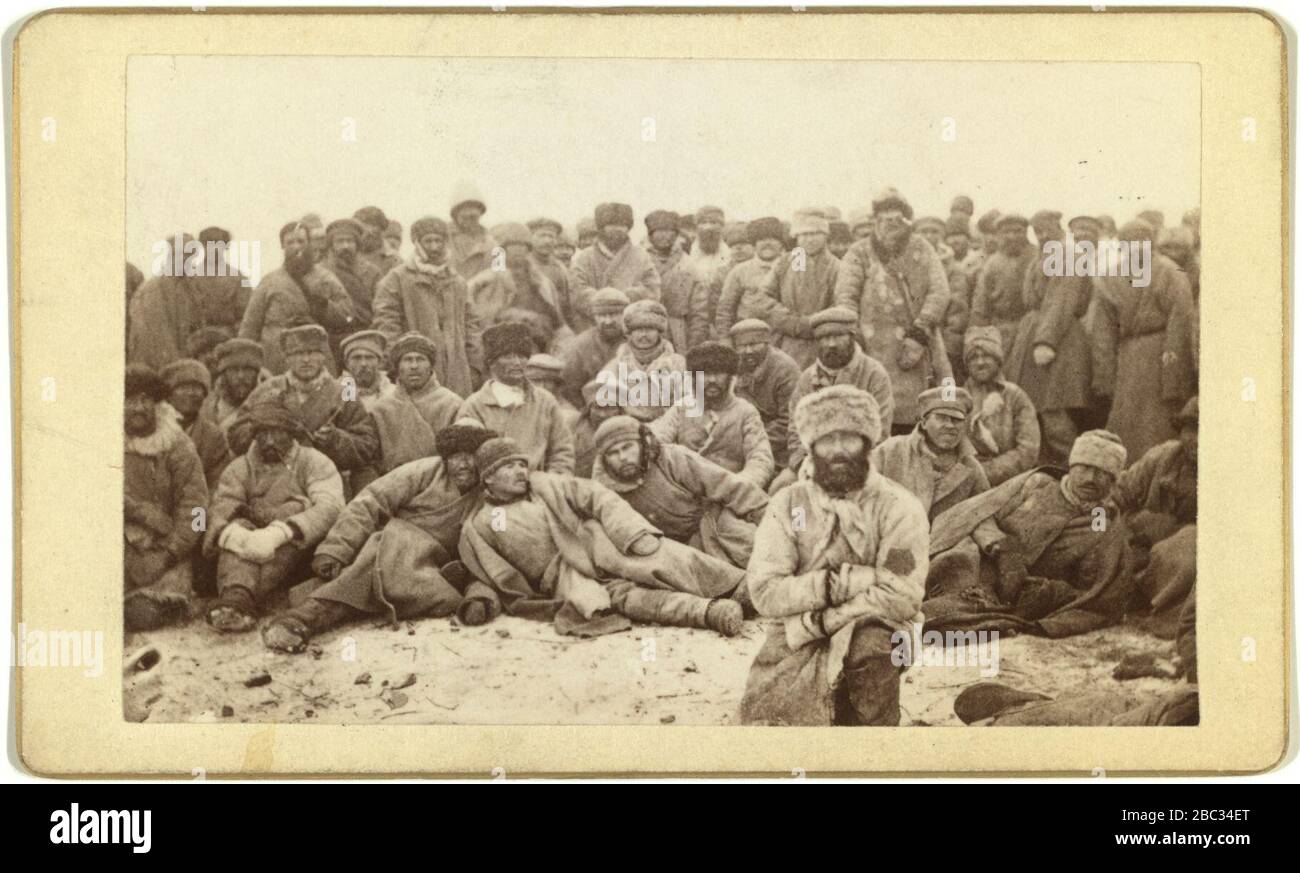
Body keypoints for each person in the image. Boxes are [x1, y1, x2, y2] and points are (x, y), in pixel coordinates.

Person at [739, 385, 929, 726]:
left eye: (850, 438)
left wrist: (828, 620)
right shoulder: (788, 504)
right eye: (827, 439)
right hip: (798, 629)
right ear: (811, 446)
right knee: (770, 725)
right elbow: (766, 591)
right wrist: (836, 584)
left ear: (868, 443)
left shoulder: (899, 508)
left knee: (874, 651)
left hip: (880, 625)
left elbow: (902, 596)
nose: (839, 450)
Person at [457, 437, 747, 637]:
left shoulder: (546, 485)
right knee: (628, 599)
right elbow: (489, 574)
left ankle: (739, 587)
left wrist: (629, 531)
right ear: (488, 478)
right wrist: (484, 599)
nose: (520, 471)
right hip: (565, 579)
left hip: (597, 545)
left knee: (657, 555)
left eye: (522, 464)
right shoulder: (478, 525)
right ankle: (709, 613)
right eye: (508, 467)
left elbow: (597, 496)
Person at [262, 423, 499, 652]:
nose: (465, 464)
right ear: (445, 458)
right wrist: (335, 549)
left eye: (472, 455)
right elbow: (370, 502)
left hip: (431, 568)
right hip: (392, 544)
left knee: (364, 584)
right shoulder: (422, 472)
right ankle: (301, 620)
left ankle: (302, 618)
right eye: (456, 456)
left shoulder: (490, 492)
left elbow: (486, 554)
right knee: (373, 564)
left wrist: (479, 597)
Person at [923, 430, 1132, 638]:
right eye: (1085, 467)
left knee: (975, 612)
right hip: (985, 560)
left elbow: (1091, 585)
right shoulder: (1037, 484)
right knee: (951, 579)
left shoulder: (1102, 520)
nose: (1090, 478)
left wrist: (1052, 590)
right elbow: (979, 514)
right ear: (1072, 465)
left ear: (1113, 480)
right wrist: (1000, 547)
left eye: (1102, 472)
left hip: (1026, 586)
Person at [203, 400, 344, 632]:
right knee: (238, 530)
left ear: (291, 433)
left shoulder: (314, 462)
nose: (269, 441)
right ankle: (237, 597)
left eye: (277, 433)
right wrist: (233, 534)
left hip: (299, 549)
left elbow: (330, 506)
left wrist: (283, 531)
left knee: (291, 521)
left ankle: (245, 596)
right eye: (262, 433)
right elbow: (222, 503)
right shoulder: (240, 467)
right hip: (248, 539)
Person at [834, 188, 951, 435]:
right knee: (873, 407)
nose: (890, 224)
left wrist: (920, 332)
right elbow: (846, 296)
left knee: (928, 404)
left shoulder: (923, 249)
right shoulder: (859, 252)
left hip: (919, 339)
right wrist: (852, 336)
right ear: (875, 220)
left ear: (906, 220)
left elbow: (939, 291)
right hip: (871, 343)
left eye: (897, 219)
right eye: (884, 218)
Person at [593, 415, 767, 568]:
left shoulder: (673, 458)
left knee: (760, 553)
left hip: (714, 521)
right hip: (675, 552)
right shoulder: (604, 493)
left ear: (642, 444)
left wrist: (768, 517)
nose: (623, 457)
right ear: (605, 460)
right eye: (613, 453)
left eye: (628, 447)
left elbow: (731, 487)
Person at [1092, 220, 1198, 462]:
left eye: (1142, 242)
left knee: (1158, 423)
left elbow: (1180, 323)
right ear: (1121, 245)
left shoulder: (1169, 272)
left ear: (1151, 243)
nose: (1136, 248)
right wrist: (1105, 379)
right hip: (1128, 359)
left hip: (1159, 356)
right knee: (1127, 422)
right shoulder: (1111, 278)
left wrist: (1173, 377)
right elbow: (1102, 335)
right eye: (1129, 243)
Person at [229, 324, 379, 482]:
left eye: (312, 353)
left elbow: (366, 446)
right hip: (269, 480)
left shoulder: (343, 393)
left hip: (326, 480)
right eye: (298, 353)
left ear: (323, 356)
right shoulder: (268, 389)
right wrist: (262, 429)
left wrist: (335, 439)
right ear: (287, 358)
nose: (306, 360)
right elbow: (236, 435)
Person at [123, 365, 208, 631]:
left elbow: (197, 511)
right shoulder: (101, 440)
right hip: (120, 542)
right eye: (130, 400)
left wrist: (170, 554)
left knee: (149, 612)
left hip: (168, 549)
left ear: (158, 405)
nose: (138, 408)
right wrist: (140, 512)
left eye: (145, 400)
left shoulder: (178, 446)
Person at [1006, 213, 1095, 464]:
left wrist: (1047, 342)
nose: (1043, 236)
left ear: (1059, 229)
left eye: (1048, 230)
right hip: (1034, 333)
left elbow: (1061, 302)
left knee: (1053, 412)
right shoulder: (1041, 258)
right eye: (1038, 232)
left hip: (1059, 340)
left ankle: (1079, 467)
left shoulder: (1069, 257)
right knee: (1034, 412)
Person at [777, 307, 894, 489]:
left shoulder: (874, 374)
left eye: (838, 336)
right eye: (824, 338)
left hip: (863, 460)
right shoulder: (807, 379)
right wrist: (804, 464)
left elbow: (881, 432)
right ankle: (798, 519)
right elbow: (795, 428)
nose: (831, 344)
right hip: (815, 460)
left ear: (852, 337)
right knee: (782, 487)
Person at [1112, 397, 1197, 638]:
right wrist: (1097, 529)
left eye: (1204, 430)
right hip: (1141, 550)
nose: (1195, 440)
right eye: (1189, 430)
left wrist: (1170, 528)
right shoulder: (1162, 457)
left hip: (1186, 562)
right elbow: (1114, 494)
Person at [371, 216, 483, 397]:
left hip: (457, 371)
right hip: (414, 370)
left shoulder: (458, 282)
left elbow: (472, 325)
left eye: (438, 241)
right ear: (417, 243)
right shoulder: (397, 279)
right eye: (428, 241)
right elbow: (386, 323)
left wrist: (475, 366)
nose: (433, 247)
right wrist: (396, 362)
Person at [650, 341, 775, 488]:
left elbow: (760, 459)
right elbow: (656, 442)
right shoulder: (682, 408)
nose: (712, 380)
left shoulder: (745, 412)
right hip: (686, 491)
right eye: (705, 374)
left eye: (719, 373)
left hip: (731, 492)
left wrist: (738, 487)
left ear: (730, 377)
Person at [456, 321, 575, 474]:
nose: (517, 363)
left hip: (539, 487)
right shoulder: (474, 406)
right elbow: (466, 460)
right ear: (491, 362)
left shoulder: (545, 401)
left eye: (522, 356)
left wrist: (551, 484)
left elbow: (562, 452)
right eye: (508, 356)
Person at [238, 221, 356, 374]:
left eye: (301, 241)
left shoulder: (325, 277)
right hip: (276, 356)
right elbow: (250, 326)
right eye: (290, 242)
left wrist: (324, 307)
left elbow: (348, 314)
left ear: (309, 244)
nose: (296, 247)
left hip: (315, 352)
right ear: (283, 246)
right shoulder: (270, 281)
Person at [870, 387, 989, 522]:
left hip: (945, 541)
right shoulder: (890, 451)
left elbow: (984, 516)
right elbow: (861, 494)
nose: (950, 426)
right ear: (924, 422)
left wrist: (989, 542)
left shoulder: (971, 468)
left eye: (957, 420)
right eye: (942, 418)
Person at [743, 210, 841, 370]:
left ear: (825, 235)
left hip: (822, 342)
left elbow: (840, 304)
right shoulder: (786, 262)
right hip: (785, 341)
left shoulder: (837, 267)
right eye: (804, 234)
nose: (809, 239)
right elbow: (761, 298)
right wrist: (791, 322)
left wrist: (814, 324)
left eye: (815, 233)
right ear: (796, 237)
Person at [364, 332, 463, 480]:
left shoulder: (451, 404)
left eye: (421, 359)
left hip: (439, 483)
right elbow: (371, 461)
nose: (414, 366)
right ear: (398, 367)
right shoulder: (381, 409)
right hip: (392, 485)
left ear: (431, 366)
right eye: (407, 360)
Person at [467, 222, 571, 349]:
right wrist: (521, 317)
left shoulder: (542, 282)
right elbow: (482, 319)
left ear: (528, 249)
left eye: (522, 245)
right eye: (512, 245)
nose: (518, 250)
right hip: (500, 347)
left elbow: (558, 323)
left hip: (540, 346)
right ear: (503, 249)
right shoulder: (487, 280)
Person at [962, 326, 1041, 485]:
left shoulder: (1015, 396)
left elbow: (1028, 450)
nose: (980, 362)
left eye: (987, 356)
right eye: (973, 357)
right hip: (965, 479)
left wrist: (987, 472)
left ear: (997, 360)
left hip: (1008, 481)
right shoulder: (958, 399)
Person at [569, 202, 662, 325]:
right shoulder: (585, 257)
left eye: (622, 225)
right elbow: (577, 290)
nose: (617, 229)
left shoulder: (641, 256)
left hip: (631, 325)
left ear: (628, 227)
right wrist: (603, 304)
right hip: (594, 324)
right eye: (611, 225)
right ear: (601, 227)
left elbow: (652, 289)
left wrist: (627, 298)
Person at [730, 318, 801, 471]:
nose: (748, 351)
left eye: (754, 344)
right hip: (742, 440)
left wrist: (751, 442)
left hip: (779, 447)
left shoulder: (785, 370)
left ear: (767, 343)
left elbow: (788, 422)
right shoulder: (735, 364)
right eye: (742, 346)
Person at [602, 299, 687, 422]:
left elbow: (684, 406)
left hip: (668, 426)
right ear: (629, 333)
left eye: (649, 329)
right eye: (638, 330)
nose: (644, 335)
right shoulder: (615, 367)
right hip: (627, 428)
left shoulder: (678, 364)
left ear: (659, 332)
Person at [160, 358, 231, 489]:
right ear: (168, 394)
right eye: (183, 387)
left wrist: (198, 509)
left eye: (197, 388)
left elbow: (216, 485)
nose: (191, 393)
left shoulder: (214, 437)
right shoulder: (154, 431)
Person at [645, 210, 710, 353]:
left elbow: (699, 310)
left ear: (676, 234)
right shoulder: (639, 260)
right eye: (659, 231)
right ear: (650, 234)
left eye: (669, 231)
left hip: (678, 331)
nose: (665, 235)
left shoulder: (689, 265)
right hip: (644, 327)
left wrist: (695, 344)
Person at [969, 213, 1033, 356]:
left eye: (1017, 231)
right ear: (999, 234)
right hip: (1001, 332)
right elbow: (980, 306)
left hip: (1032, 330)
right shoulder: (992, 264)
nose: (1012, 236)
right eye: (1007, 232)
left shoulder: (1036, 258)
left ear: (1026, 232)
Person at [713, 216, 784, 338]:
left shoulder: (793, 269)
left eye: (773, 238)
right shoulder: (740, 271)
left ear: (781, 243)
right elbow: (725, 311)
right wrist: (726, 341)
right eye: (761, 239)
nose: (767, 243)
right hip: (748, 339)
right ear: (754, 244)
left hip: (785, 339)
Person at [560, 287, 629, 408]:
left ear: (625, 314)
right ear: (594, 316)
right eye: (601, 315)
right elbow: (570, 389)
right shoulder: (580, 345)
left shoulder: (637, 340)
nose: (607, 321)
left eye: (614, 314)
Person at [321, 218, 382, 330]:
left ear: (357, 244)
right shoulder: (321, 273)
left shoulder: (372, 272)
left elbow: (380, 306)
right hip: (332, 333)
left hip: (367, 331)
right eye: (340, 241)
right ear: (332, 245)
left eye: (350, 241)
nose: (345, 246)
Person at [198, 338, 264, 436]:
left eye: (247, 369)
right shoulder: (208, 407)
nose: (241, 376)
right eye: (234, 369)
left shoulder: (270, 401)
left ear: (257, 373)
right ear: (223, 373)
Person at [446, 182, 497, 279]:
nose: (469, 213)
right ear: (456, 213)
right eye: (464, 210)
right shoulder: (443, 239)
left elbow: (500, 273)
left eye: (474, 214)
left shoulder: (491, 242)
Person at [339, 329, 395, 411]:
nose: (363, 364)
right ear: (347, 363)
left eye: (369, 357)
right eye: (357, 358)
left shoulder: (394, 394)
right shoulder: (336, 395)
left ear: (379, 362)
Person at [353, 206, 401, 278]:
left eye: (372, 225)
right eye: (360, 227)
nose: (367, 231)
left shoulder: (394, 260)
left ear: (381, 229)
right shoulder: (349, 253)